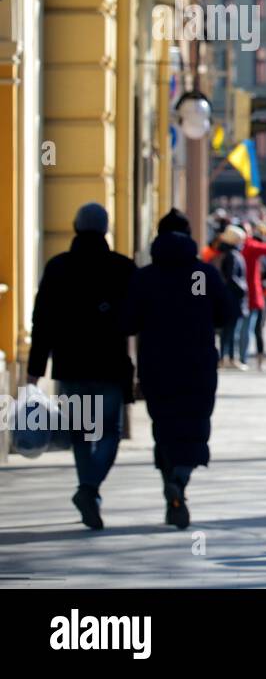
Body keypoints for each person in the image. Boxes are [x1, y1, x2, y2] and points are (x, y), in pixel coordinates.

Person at [26, 202, 137, 530]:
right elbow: (133, 320)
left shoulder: (58, 267)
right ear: (105, 229)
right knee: (109, 433)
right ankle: (89, 490)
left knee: (79, 434)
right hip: (109, 365)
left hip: (70, 365)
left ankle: (88, 490)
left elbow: (41, 322)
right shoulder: (122, 268)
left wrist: (34, 370)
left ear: (75, 227)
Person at [122, 209, 234, 529]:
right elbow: (226, 314)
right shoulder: (203, 274)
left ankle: (171, 483)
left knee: (165, 429)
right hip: (197, 363)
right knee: (194, 425)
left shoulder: (145, 277)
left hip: (157, 365)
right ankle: (180, 481)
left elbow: (128, 322)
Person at [240, 224, 266, 370]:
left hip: (242, 295)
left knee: (242, 329)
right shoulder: (249, 246)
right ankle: (244, 359)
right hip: (252, 295)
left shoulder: (228, 249)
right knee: (252, 329)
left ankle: (236, 358)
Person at [212, 225, 250, 371]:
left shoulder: (225, 254)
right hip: (233, 299)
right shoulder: (232, 255)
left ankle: (226, 357)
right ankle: (227, 358)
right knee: (230, 331)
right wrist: (243, 288)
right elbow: (231, 277)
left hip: (229, 298)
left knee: (229, 331)